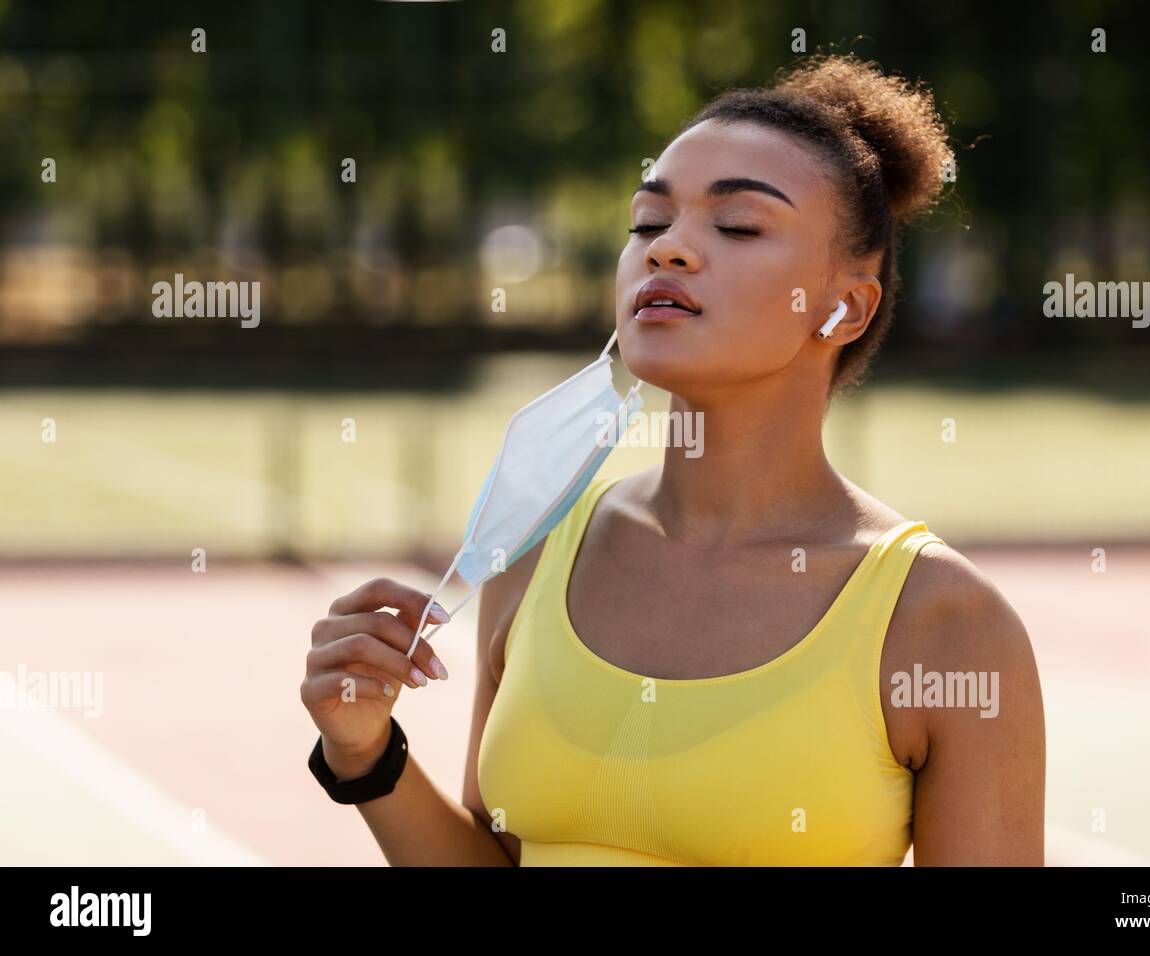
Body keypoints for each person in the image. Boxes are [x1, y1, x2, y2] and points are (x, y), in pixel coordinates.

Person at [300, 53, 1045, 866]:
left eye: (737, 227)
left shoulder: (946, 626)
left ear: (845, 308)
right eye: (649, 223)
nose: (670, 250)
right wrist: (366, 758)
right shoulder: (541, 547)